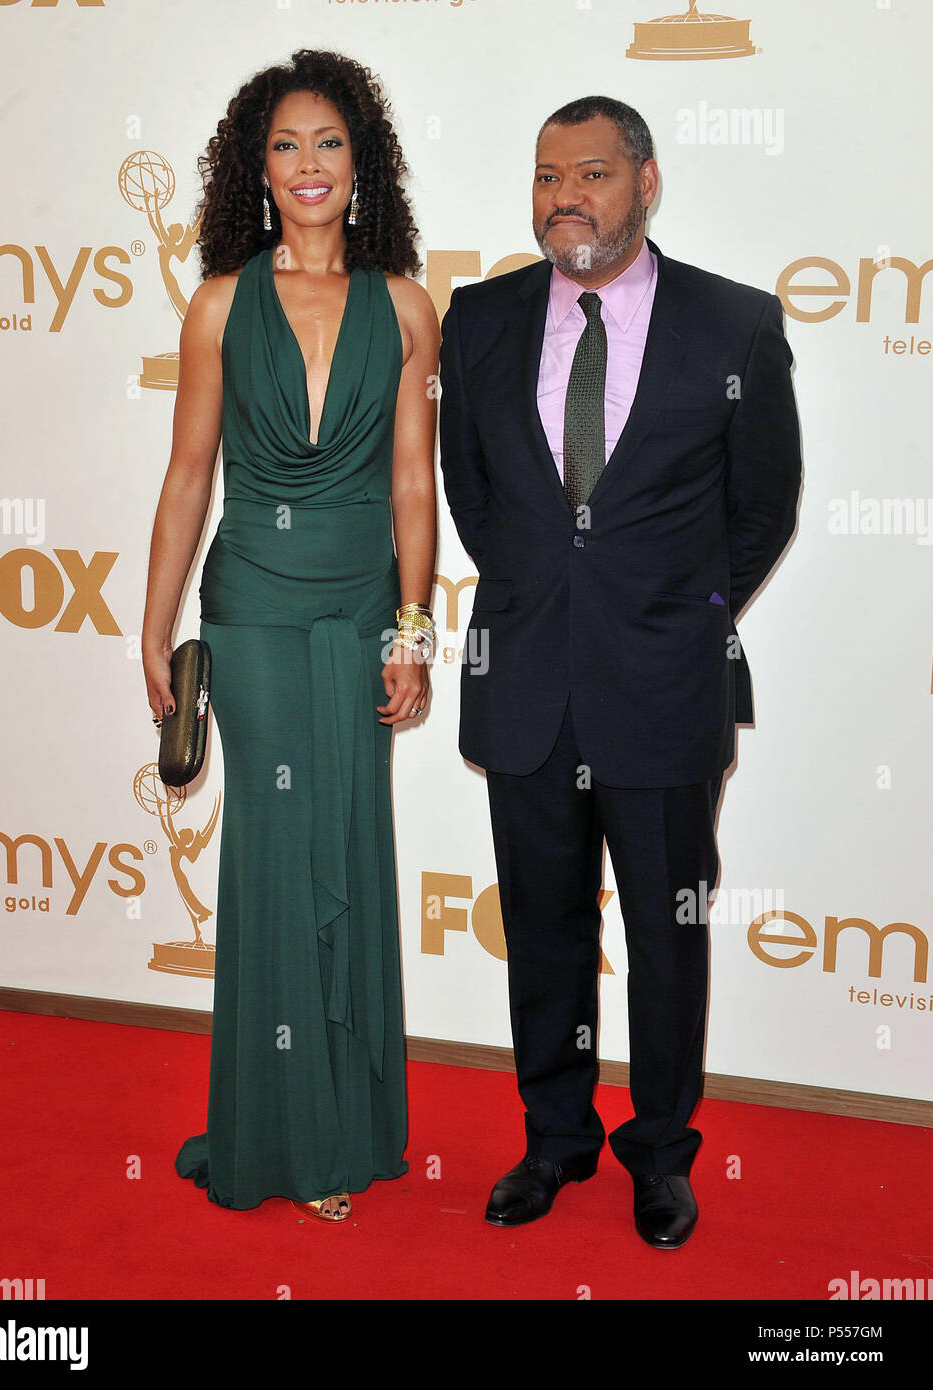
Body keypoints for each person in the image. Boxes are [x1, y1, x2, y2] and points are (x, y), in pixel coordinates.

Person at [438, 96, 801, 1248]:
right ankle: (554, 1139)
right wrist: (548, 597)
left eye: (590, 173)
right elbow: (475, 494)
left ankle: (659, 1150)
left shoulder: (733, 324)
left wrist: (674, 615)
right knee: (542, 927)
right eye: (546, 175)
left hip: (664, 687)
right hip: (528, 683)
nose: (564, 197)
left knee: (665, 930)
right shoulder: (482, 317)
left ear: (646, 181)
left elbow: (763, 507)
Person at [142, 49, 439, 1222]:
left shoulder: (409, 305)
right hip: (255, 607)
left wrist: (413, 628)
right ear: (253, 170)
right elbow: (185, 479)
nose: (308, 166)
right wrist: (155, 628)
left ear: (360, 163)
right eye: (285, 146)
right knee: (274, 852)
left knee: (351, 839)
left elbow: (414, 488)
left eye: (328, 144)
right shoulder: (220, 302)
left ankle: (346, 1124)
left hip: (362, 605)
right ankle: (286, 1134)